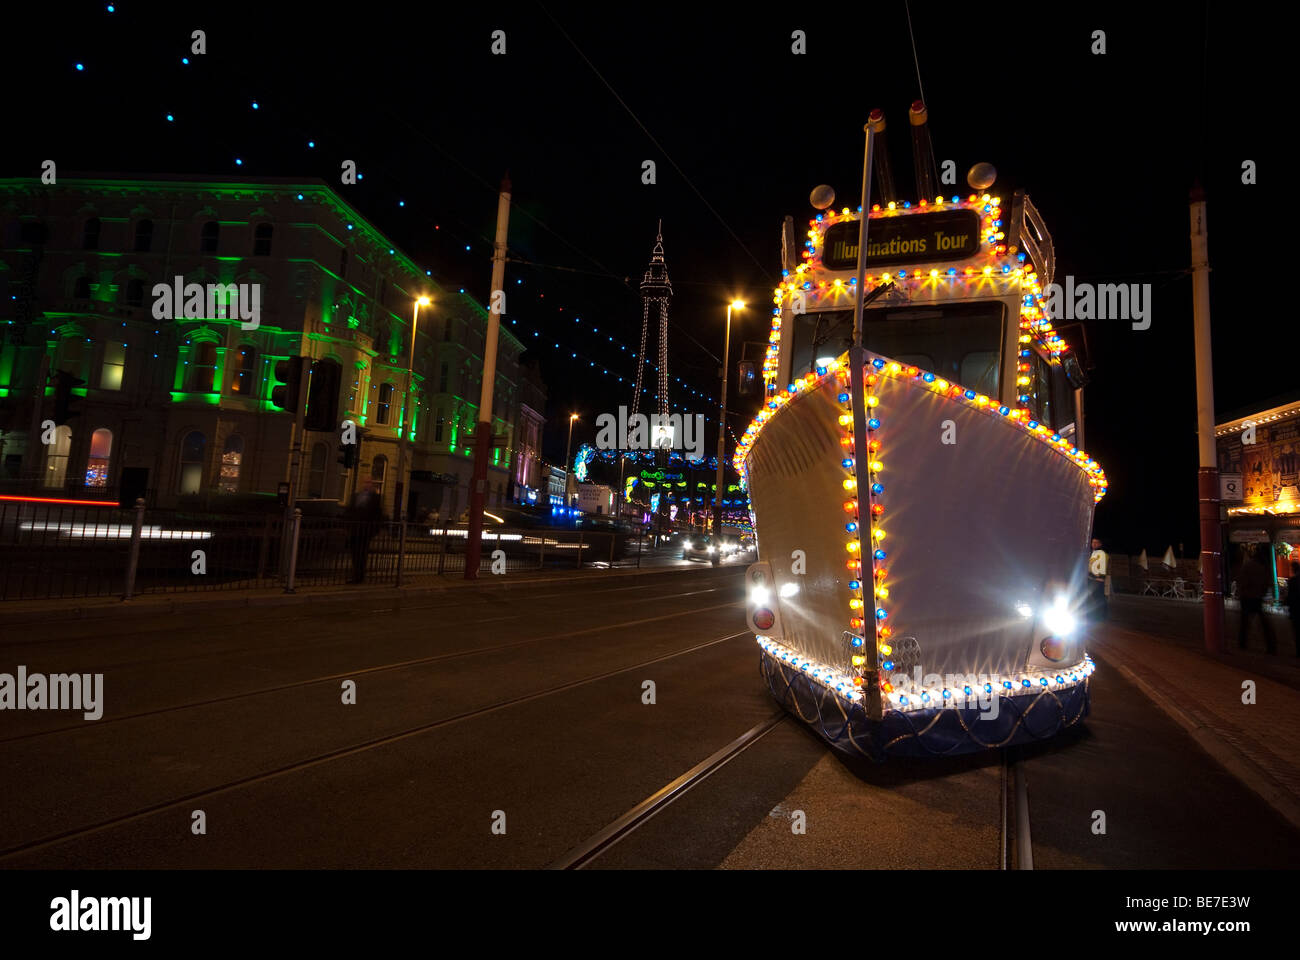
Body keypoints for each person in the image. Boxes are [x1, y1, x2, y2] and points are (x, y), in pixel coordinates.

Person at [1236, 548, 1276, 654]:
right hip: (1257, 597)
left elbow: (1242, 581)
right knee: (1263, 622)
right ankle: (1270, 645)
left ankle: (1242, 643)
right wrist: (1261, 593)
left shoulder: (1248, 566)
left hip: (1247, 597)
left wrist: (1243, 592)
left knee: (1245, 622)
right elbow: (1266, 583)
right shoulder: (1262, 567)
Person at [345, 478, 384, 583]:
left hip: (365, 531)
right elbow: (350, 511)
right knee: (354, 553)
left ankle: (359, 576)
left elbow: (378, 514)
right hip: (355, 530)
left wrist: (374, 531)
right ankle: (356, 574)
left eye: (369, 483)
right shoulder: (356, 496)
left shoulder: (375, 498)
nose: (366, 485)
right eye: (365, 482)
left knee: (362, 554)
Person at [1088, 537, 1109, 620]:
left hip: (1098, 579)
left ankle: (1102, 615)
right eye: (1093, 542)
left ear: (1100, 544)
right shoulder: (1092, 553)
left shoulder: (1102, 553)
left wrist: (1101, 577)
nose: (1094, 544)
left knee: (1099, 598)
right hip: (1091, 578)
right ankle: (1096, 615)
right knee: (1093, 597)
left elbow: (1103, 566)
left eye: (1096, 542)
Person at [1287, 560, 1300, 657]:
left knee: (1297, 632)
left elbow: (1290, 596)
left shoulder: (1292, 581)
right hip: (1295, 608)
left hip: (1295, 609)